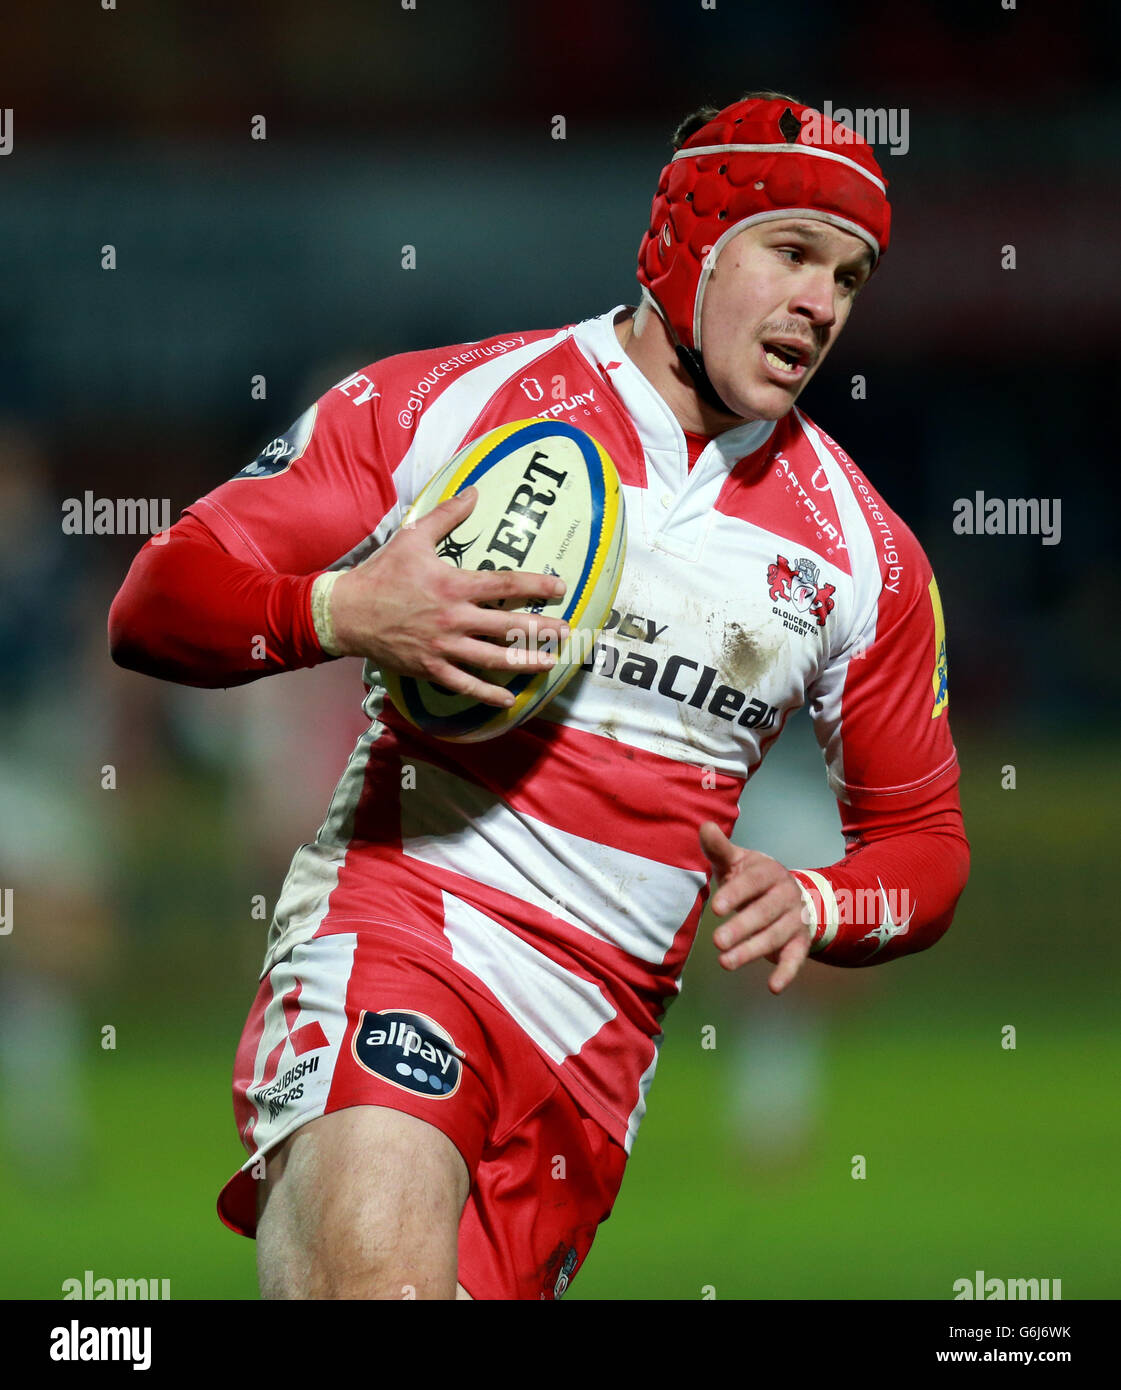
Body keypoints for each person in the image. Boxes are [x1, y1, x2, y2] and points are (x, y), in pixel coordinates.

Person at [108, 91, 970, 1301]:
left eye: (848, 278)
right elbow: (158, 600)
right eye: (790, 252)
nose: (819, 305)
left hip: (595, 1045)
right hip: (403, 928)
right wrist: (340, 611)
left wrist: (824, 900)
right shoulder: (444, 404)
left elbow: (924, 847)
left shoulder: (863, 557)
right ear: (693, 244)